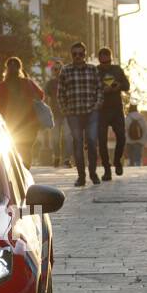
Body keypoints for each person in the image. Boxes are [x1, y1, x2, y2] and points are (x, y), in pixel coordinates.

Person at [60, 42, 103, 186]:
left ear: (85, 55)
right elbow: (60, 93)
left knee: (91, 141)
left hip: (91, 112)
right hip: (73, 113)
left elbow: (99, 89)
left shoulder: (93, 69)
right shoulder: (65, 71)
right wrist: (65, 109)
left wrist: (97, 106)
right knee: (77, 143)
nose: (77, 56)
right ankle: (81, 176)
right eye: (74, 54)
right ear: (71, 55)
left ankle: (93, 173)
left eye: (80, 54)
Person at [0, 56, 44, 169]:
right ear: (20, 68)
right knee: (26, 148)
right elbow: (41, 95)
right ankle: (25, 169)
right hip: (29, 122)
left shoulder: (3, 85)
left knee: (14, 147)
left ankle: (18, 170)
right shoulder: (27, 82)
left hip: (11, 123)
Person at [96, 47, 131, 179]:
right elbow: (92, 88)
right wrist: (102, 89)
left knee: (121, 137)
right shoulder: (95, 71)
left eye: (108, 61)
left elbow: (127, 86)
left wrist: (118, 85)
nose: (106, 65)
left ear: (111, 59)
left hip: (116, 109)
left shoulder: (117, 70)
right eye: (103, 62)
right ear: (99, 60)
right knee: (102, 141)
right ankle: (107, 169)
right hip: (101, 110)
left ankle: (117, 161)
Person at [44, 62, 73, 168]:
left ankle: (67, 159)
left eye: (59, 69)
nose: (57, 71)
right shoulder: (50, 83)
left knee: (67, 137)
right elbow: (45, 97)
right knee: (55, 138)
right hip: (54, 114)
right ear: (53, 71)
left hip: (67, 114)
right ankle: (56, 157)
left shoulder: (68, 82)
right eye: (55, 69)